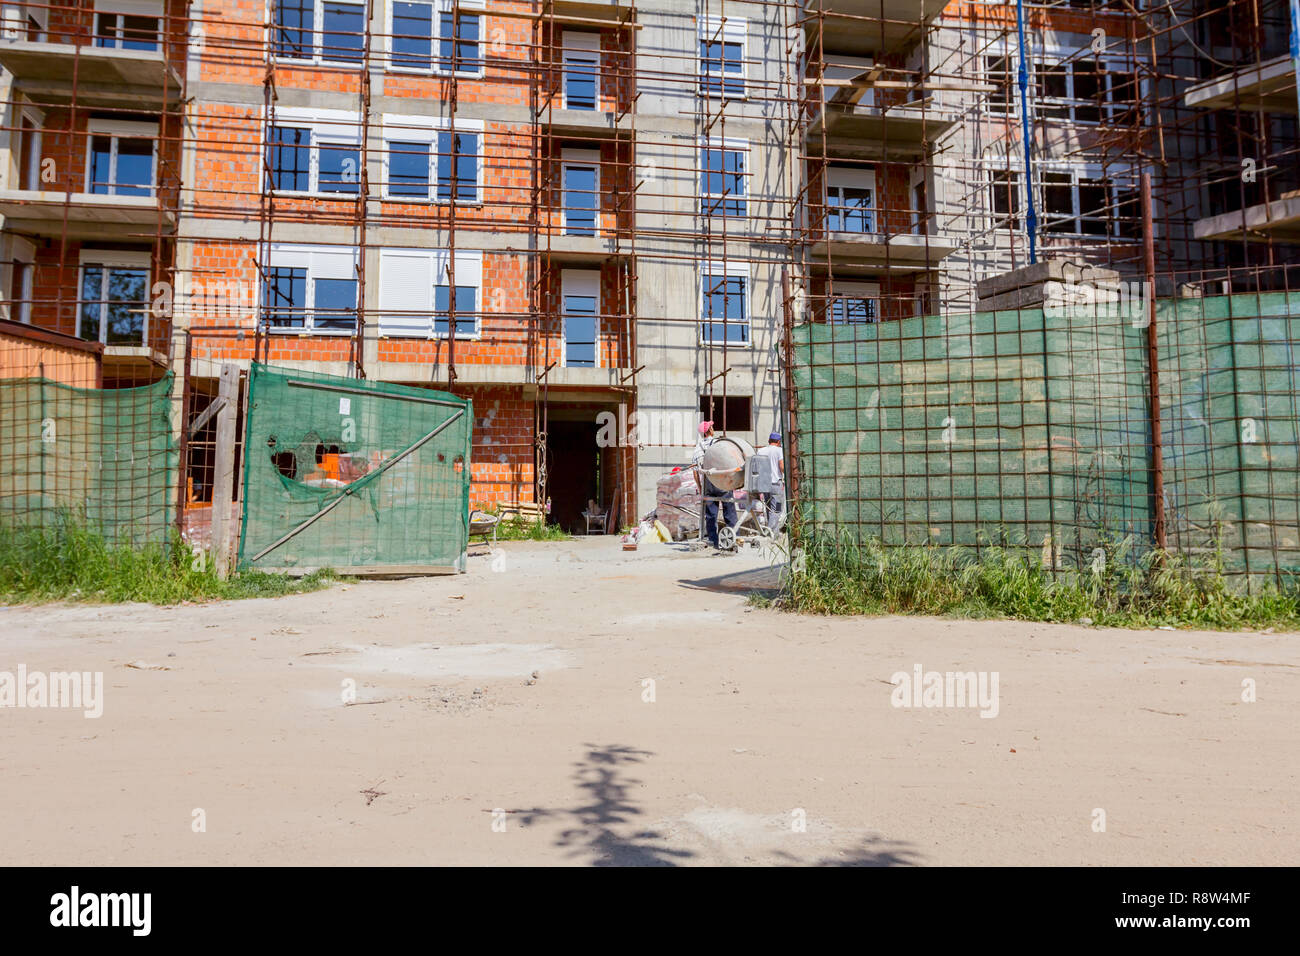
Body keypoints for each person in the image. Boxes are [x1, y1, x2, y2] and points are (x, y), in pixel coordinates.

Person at [692, 420, 737, 549]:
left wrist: (701, 488)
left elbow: (695, 471)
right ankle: (732, 538)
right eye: (712, 427)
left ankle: (713, 540)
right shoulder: (719, 444)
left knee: (711, 514)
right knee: (729, 511)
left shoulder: (697, 448)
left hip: (708, 483)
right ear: (709, 431)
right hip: (722, 480)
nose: (713, 428)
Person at [755, 432, 785, 529]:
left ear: (769, 440)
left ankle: (771, 533)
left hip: (764, 484)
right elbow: (782, 467)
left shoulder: (760, 451)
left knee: (768, 509)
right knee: (776, 510)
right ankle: (771, 534)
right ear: (778, 441)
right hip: (776, 483)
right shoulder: (779, 451)